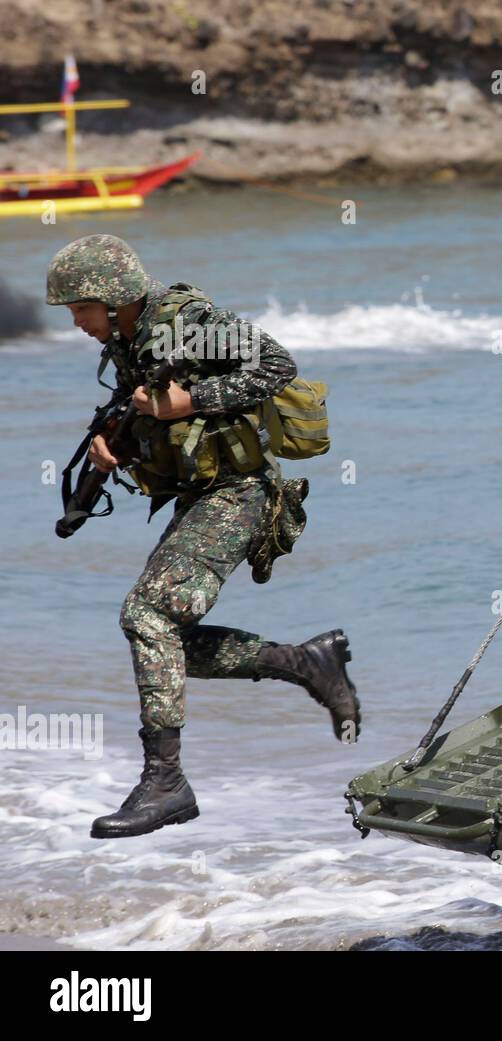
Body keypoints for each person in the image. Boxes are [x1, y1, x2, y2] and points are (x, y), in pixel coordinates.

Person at [46, 234, 362, 839]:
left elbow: (277, 365)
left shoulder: (187, 324)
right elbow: (151, 412)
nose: (77, 323)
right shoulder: (128, 342)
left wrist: (191, 400)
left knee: (147, 615)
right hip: (202, 495)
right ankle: (306, 663)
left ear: (114, 299)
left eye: (81, 310)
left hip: (242, 491)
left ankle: (166, 782)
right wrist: (117, 447)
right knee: (166, 646)